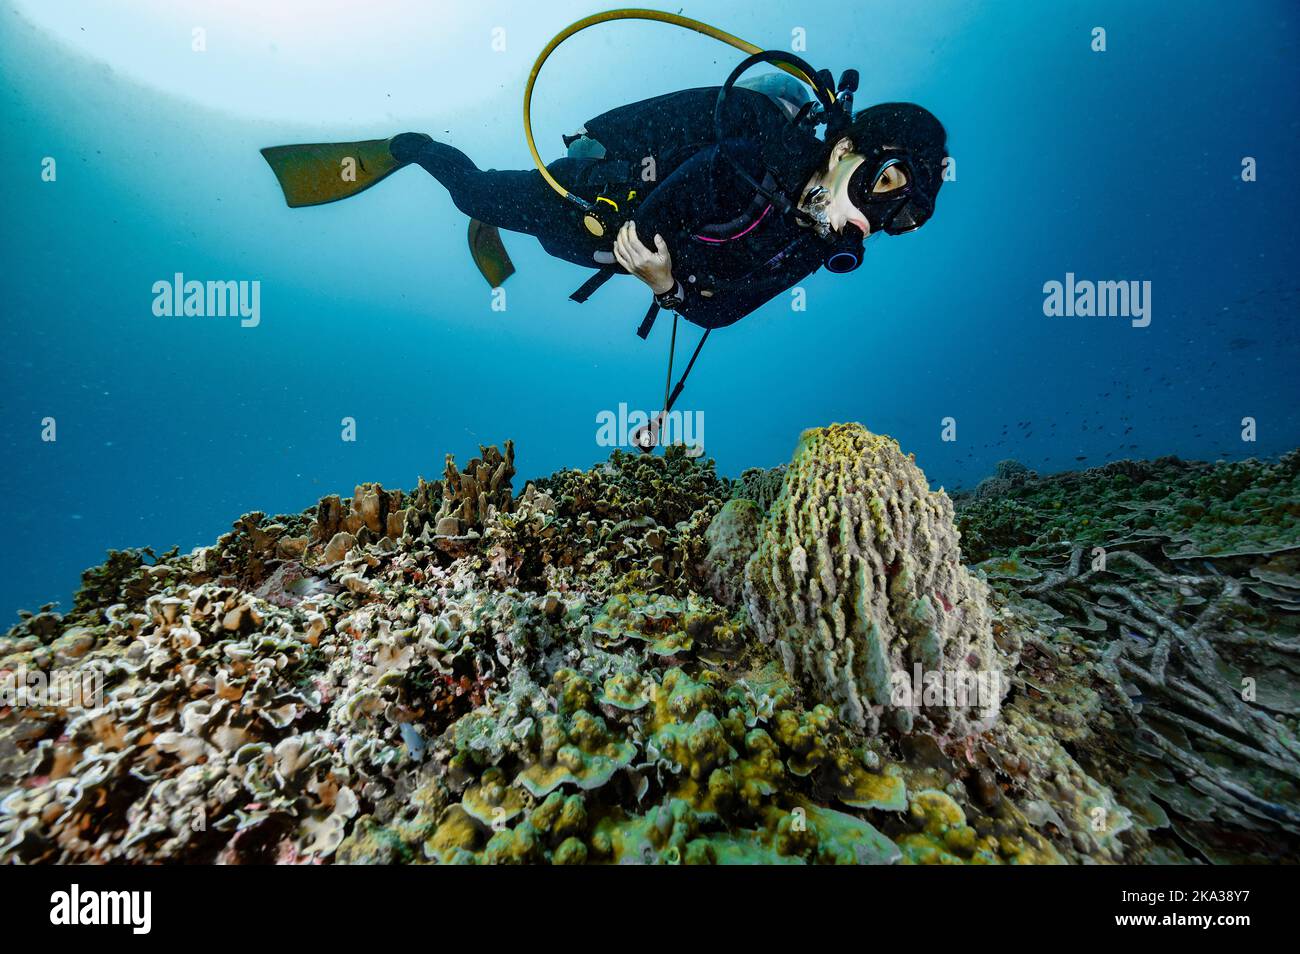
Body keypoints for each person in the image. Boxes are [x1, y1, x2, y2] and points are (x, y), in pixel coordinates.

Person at [261, 84, 946, 331]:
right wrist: (654, 249)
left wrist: (666, 286)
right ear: (847, 147)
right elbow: (704, 174)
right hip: (590, 198)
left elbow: (723, 312)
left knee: (551, 244)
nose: (873, 221)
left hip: (610, 256)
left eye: (902, 218)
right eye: (884, 186)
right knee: (478, 193)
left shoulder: (810, 244)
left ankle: (503, 216)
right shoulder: (762, 148)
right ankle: (411, 146)